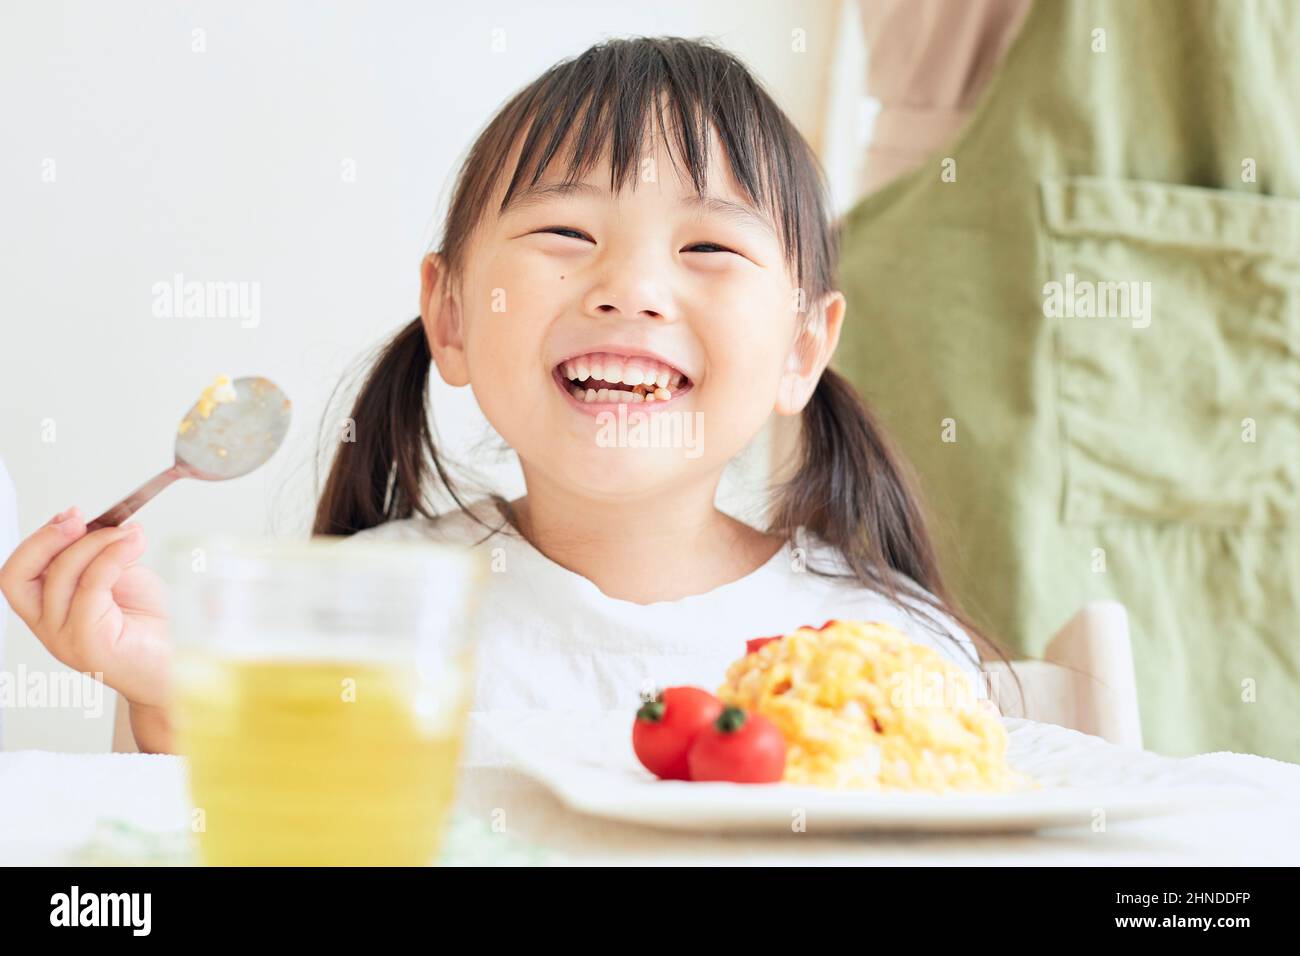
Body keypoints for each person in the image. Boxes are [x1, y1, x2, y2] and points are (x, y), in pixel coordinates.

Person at [0, 37, 1008, 755]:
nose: (630, 287)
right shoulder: (344, 613)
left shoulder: (885, 653)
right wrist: (182, 697)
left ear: (802, 348)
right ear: (450, 316)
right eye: (567, 235)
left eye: (707, 247)